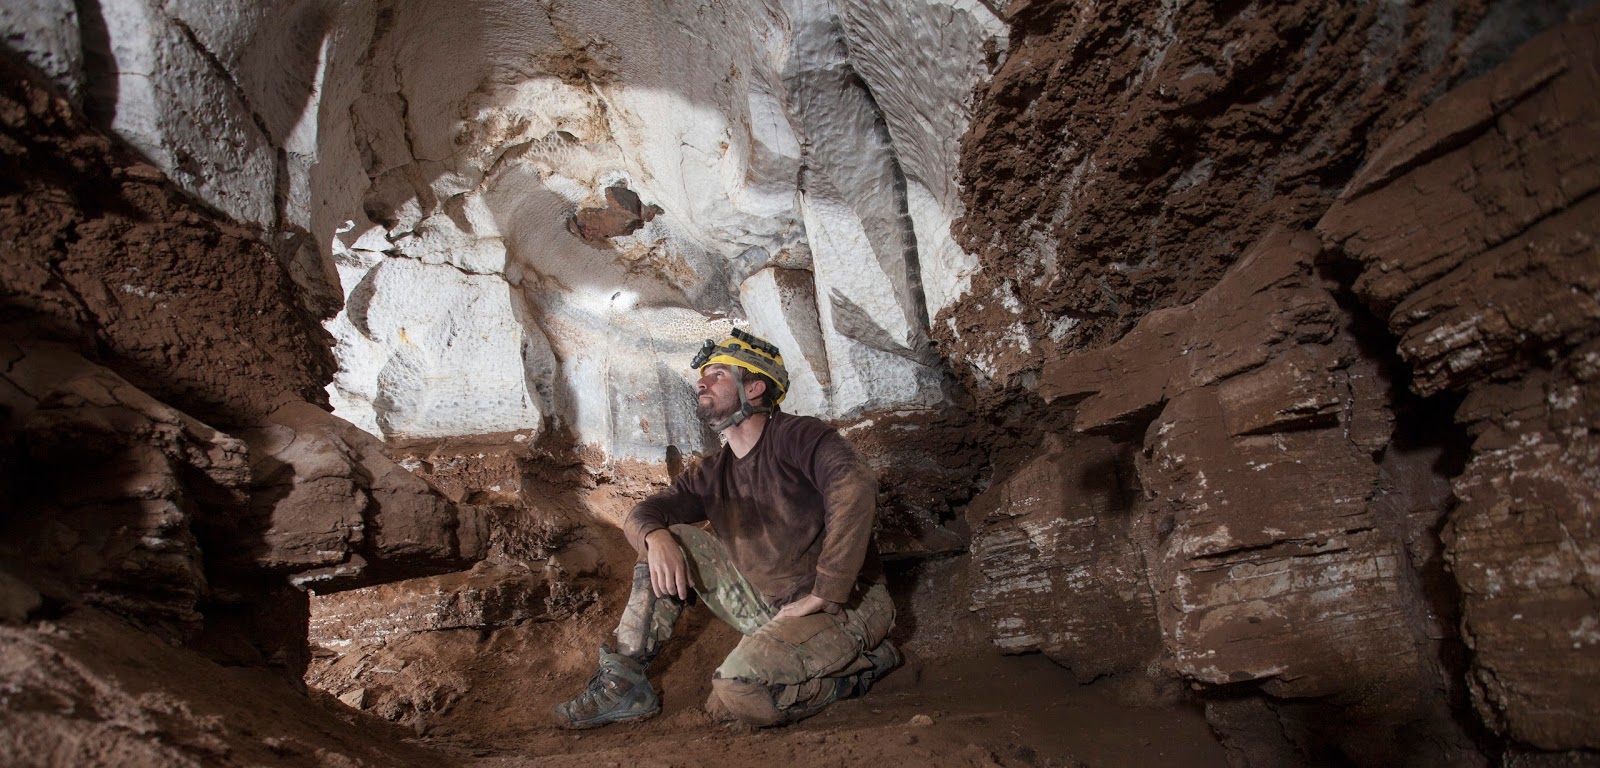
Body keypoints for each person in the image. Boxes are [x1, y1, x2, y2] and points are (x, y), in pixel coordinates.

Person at [552, 329, 899, 729]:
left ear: (753, 387)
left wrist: (827, 589)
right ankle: (624, 684)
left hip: (847, 604)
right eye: (703, 374)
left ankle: (866, 667)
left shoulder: (799, 436)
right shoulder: (713, 471)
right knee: (671, 539)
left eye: (717, 374)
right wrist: (656, 536)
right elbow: (643, 512)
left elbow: (853, 487)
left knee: (734, 695)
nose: (701, 381)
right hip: (771, 607)